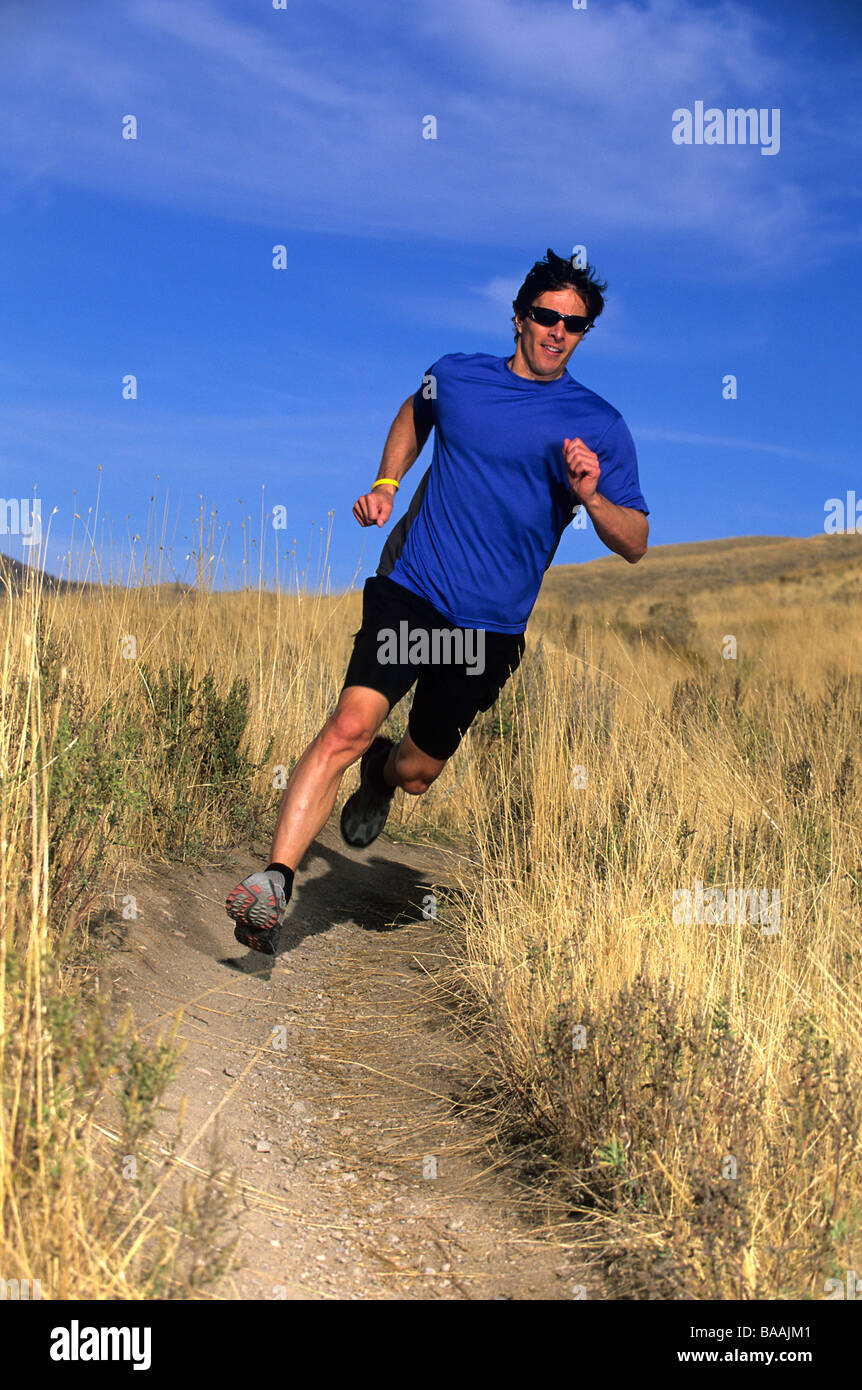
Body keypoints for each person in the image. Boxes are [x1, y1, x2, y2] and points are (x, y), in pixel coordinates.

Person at [226, 248, 649, 954]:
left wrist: (592, 494)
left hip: (487, 629)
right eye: (546, 316)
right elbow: (414, 412)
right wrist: (388, 484)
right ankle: (274, 883)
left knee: (418, 774)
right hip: (414, 592)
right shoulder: (455, 375)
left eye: (573, 326)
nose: (556, 332)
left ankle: (383, 775)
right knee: (349, 724)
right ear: (518, 318)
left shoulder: (598, 424)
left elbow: (634, 540)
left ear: (582, 337)